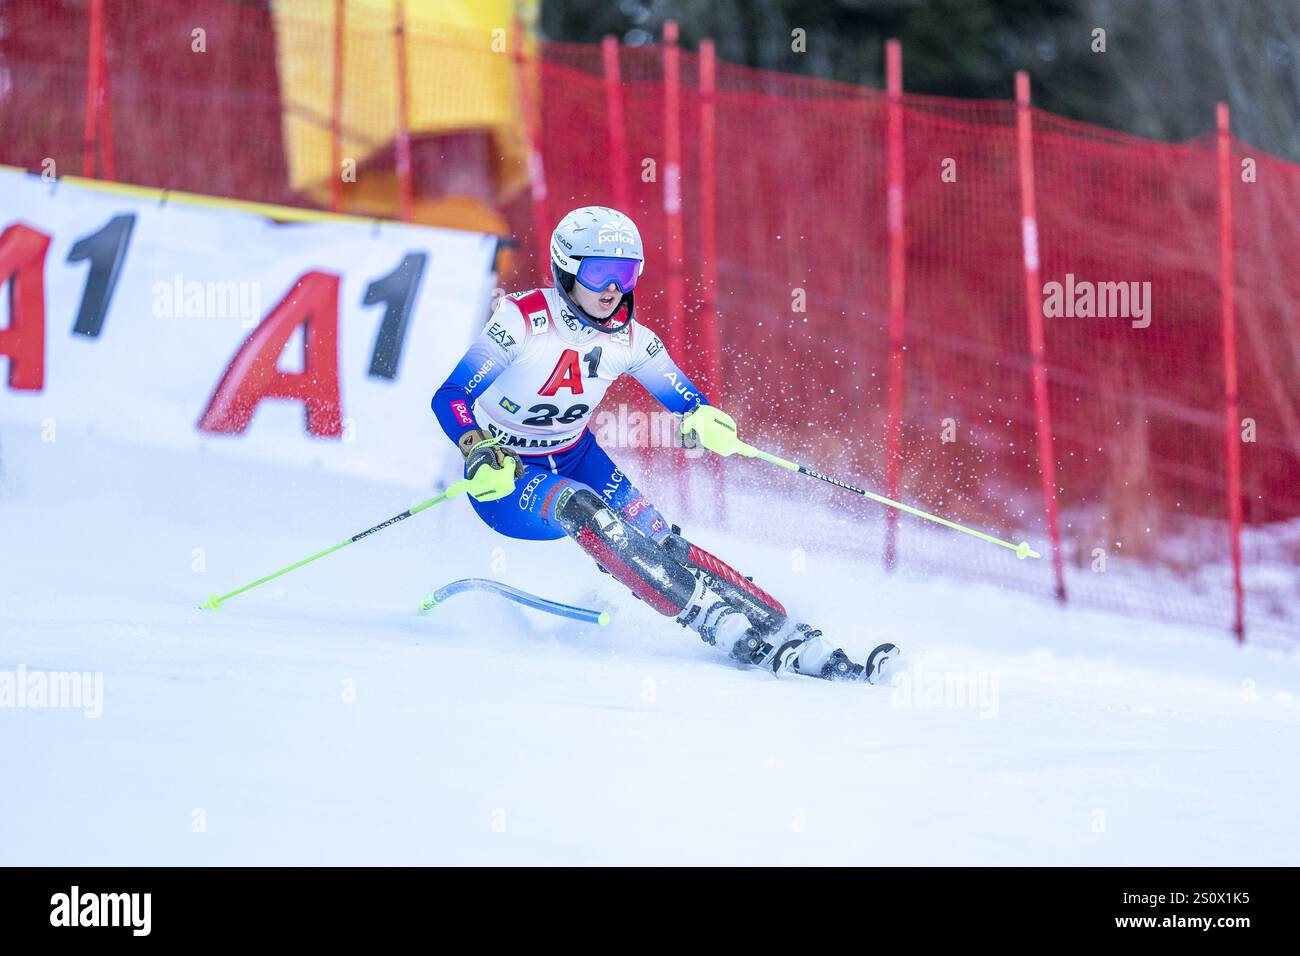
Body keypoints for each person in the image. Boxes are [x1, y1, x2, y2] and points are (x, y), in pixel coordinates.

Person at [432, 206, 886, 681]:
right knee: (582, 506)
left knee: (659, 536)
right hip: (507, 474)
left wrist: (707, 419)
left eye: (626, 274)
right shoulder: (523, 322)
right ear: (566, 269)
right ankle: (708, 619)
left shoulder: (632, 341)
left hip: (575, 454)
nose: (614, 288)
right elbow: (452, 395)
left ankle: (781, 625)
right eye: (602, 271)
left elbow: (685, 398)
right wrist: (477, 447)